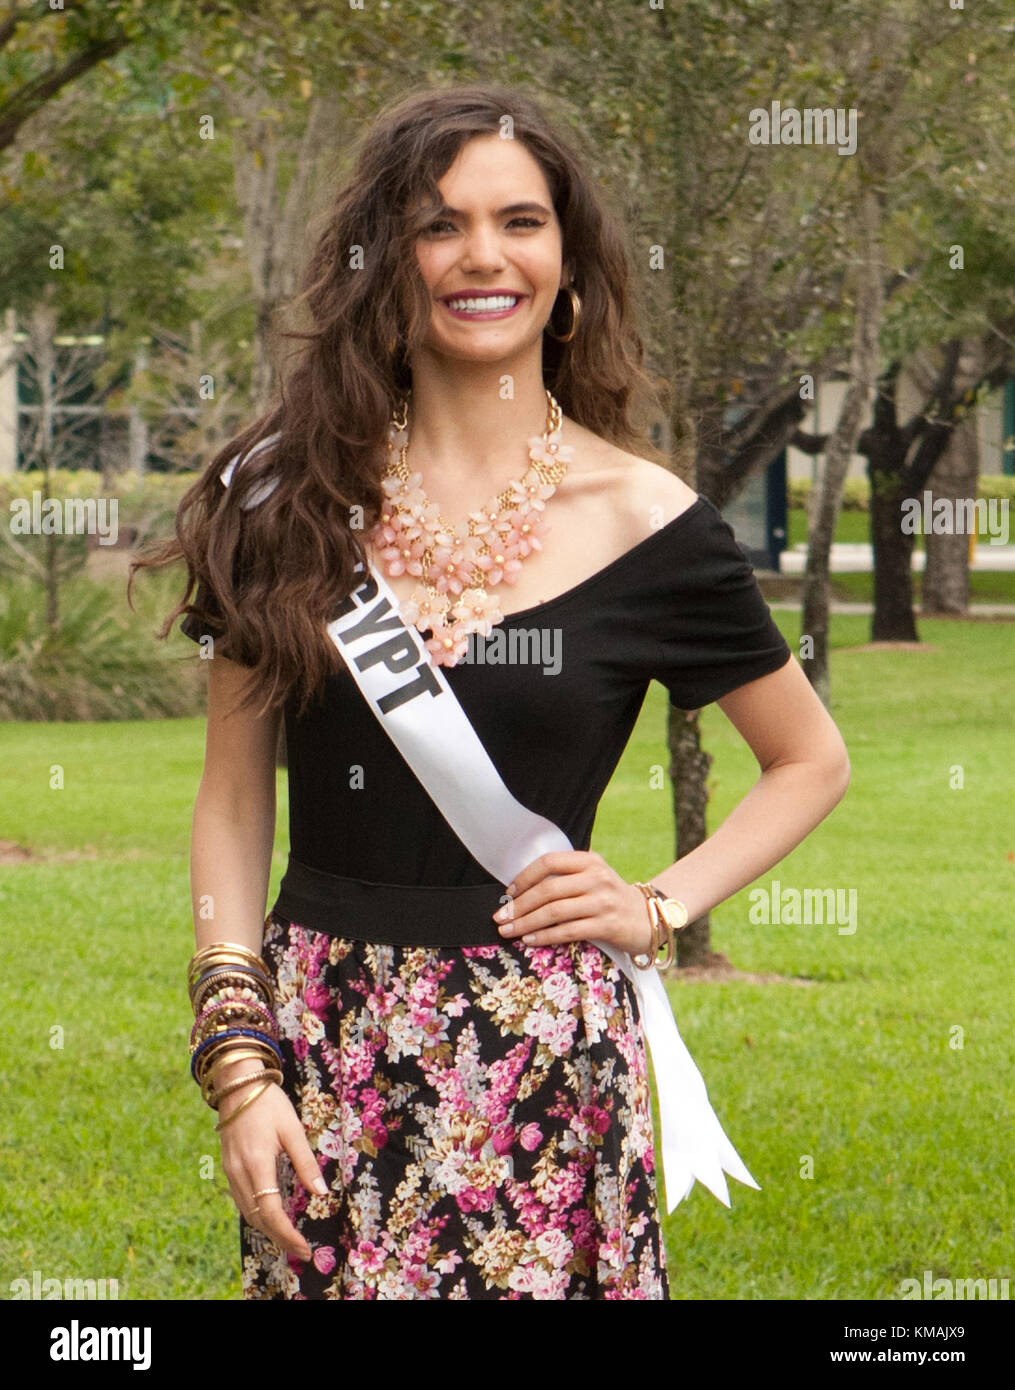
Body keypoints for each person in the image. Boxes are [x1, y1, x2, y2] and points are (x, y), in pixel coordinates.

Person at [134, 82, 849, 1300]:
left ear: (566, 266)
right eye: (438, 223)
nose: (482, 255)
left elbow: (810, 759)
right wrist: (241, 1064)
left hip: (545, 1066)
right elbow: (233, 801)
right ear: (385, 261)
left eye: (520, 222)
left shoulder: (650, 524)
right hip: (324, 1049)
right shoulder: (283, 500)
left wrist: (659, 908)